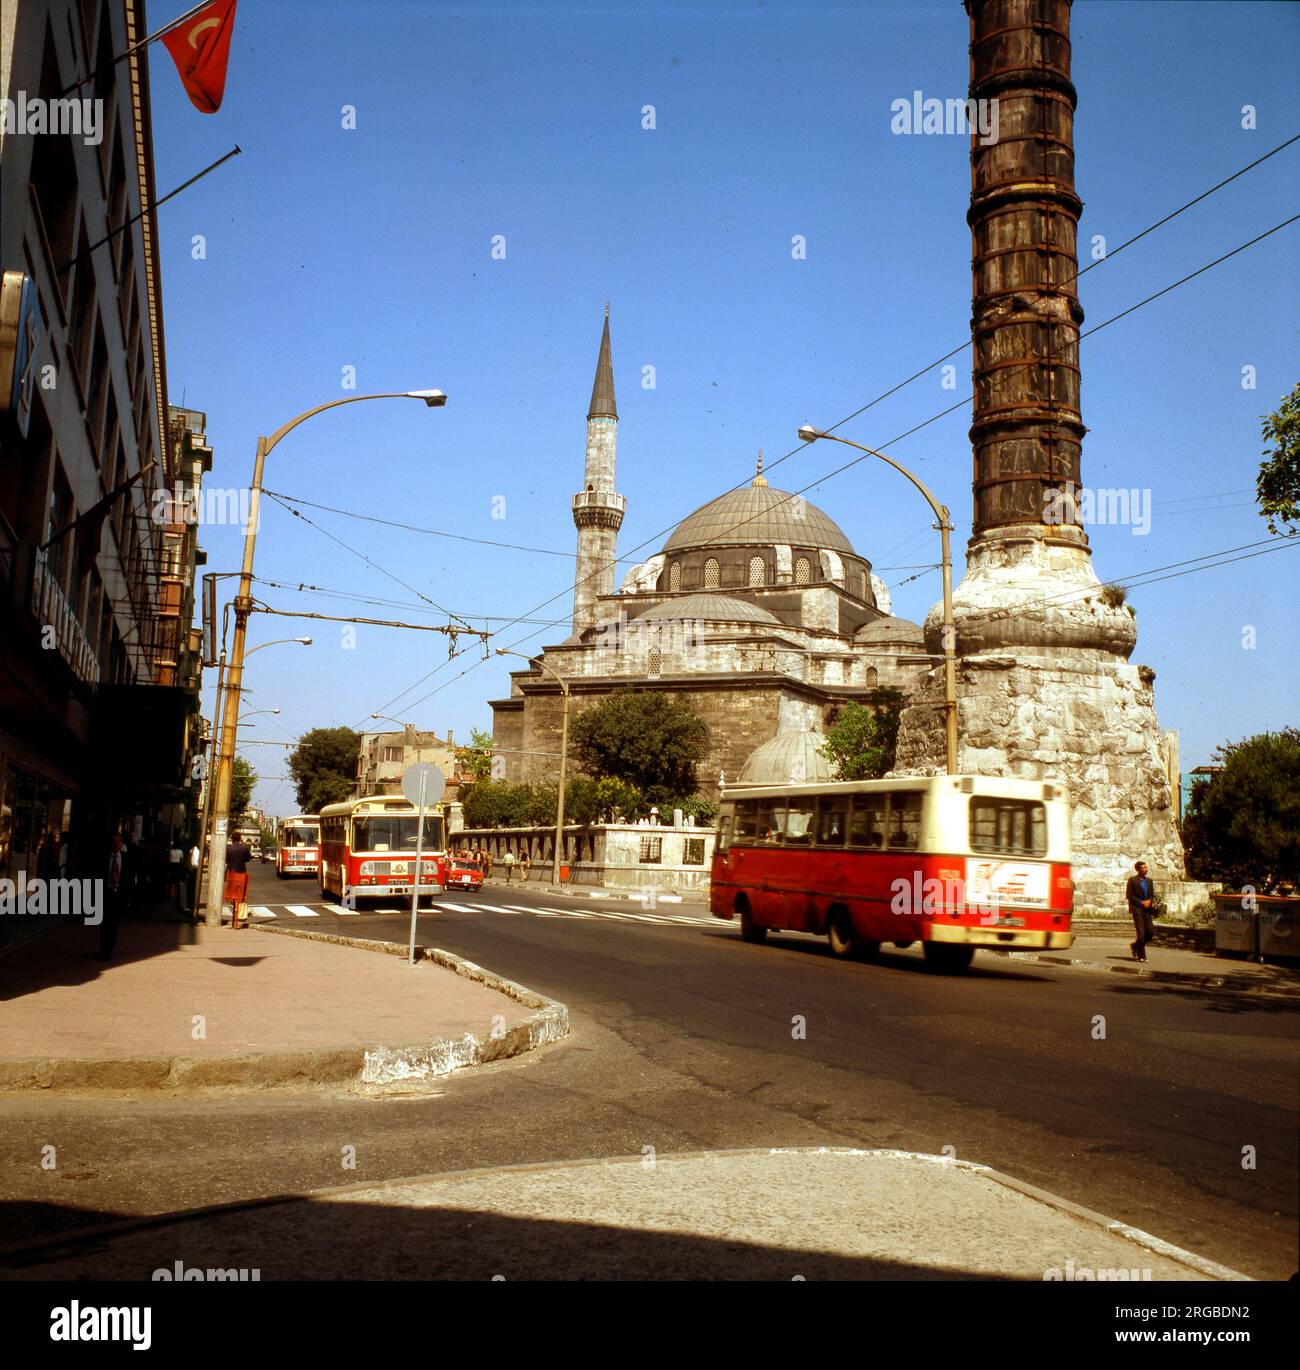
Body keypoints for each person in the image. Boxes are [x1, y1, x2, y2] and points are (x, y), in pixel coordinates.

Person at [98, 833, 130, 961]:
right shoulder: (104, 858)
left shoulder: (125, 859)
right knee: (105, 923)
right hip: (107, 892)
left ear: (121, 843)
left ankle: (109, 949)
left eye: (118, 841)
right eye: (114, 841)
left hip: (118, 895)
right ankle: (103, 950)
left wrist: (127, 897)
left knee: (114, 924)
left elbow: (128, 878)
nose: (116, 844)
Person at [1125, 859, 1155, 962]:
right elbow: (1129, 895)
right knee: (1141, 932)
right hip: (1137, 909)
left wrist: (1149, 901)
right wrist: (1141, 902)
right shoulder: (1132, 880)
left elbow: (1151, 895)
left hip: (1147, 910)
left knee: (1150, 932)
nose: (1146, 870)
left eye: (1146, 867)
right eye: (1143, 868)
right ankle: (1142, 956)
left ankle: (1135, 945)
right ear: (1138, 870)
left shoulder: (1149, 881)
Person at [225, 833, 253, 929]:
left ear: (232, 839)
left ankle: (235, 913)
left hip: (231, 873)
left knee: (232, 895)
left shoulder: (228, 849)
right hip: (241, 873)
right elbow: (248, 859)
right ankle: (241, 914)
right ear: (240, 839)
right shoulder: (244, 848)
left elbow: (226, 860)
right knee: (241, 895)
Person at [166, 840, 184, 906]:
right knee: (177, 882)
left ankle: (169, 894)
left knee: (170, 881)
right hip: (177, 866)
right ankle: (178, 895)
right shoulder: (180, 851)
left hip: (171, 866)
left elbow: (168, 859)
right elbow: (181, 859)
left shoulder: (170, 851)